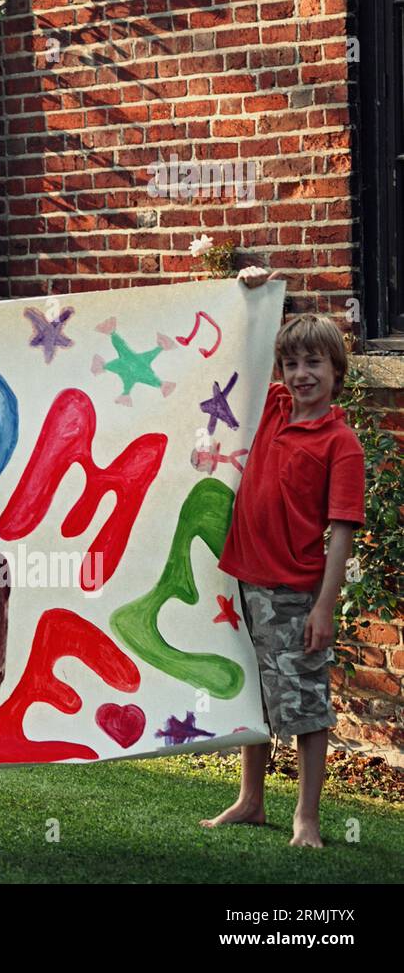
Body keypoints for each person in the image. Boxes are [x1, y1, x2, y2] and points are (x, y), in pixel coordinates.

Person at [200, 266, 364, 847]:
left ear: (336, 373)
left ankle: (307, 817)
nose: (301, 374)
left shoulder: (341, 445)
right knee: (255, 694)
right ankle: (250, 800)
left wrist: (325, 607)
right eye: (292, 364)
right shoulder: (269, 407)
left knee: (304, 705)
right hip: (243, 585)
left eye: (314, 364)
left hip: (294, 592)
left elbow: (341, 532)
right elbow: (243, 345)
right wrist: (251, 291)